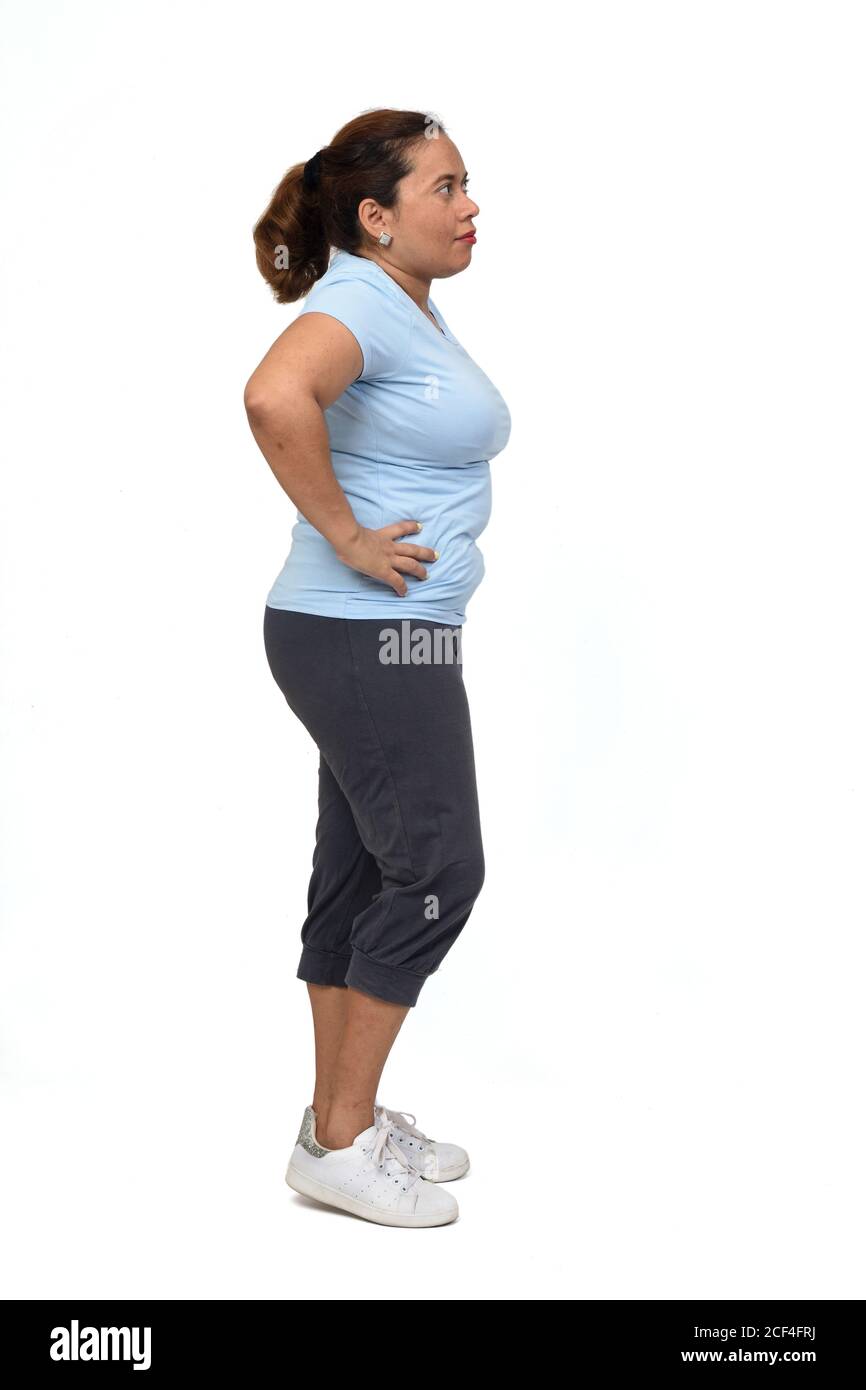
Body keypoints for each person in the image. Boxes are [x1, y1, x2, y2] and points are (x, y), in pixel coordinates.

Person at [244, 108, 511, 1227]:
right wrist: (350, 536)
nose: (470, 206)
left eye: (465, 184)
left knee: (362, 871)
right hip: (367, 632)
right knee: (438, 867)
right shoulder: (358, 303)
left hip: (374, 633)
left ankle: (337, 1124)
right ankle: (343, 1138)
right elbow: (274, 395)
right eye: (445, 188)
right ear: (376, 215)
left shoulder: (402, 303)